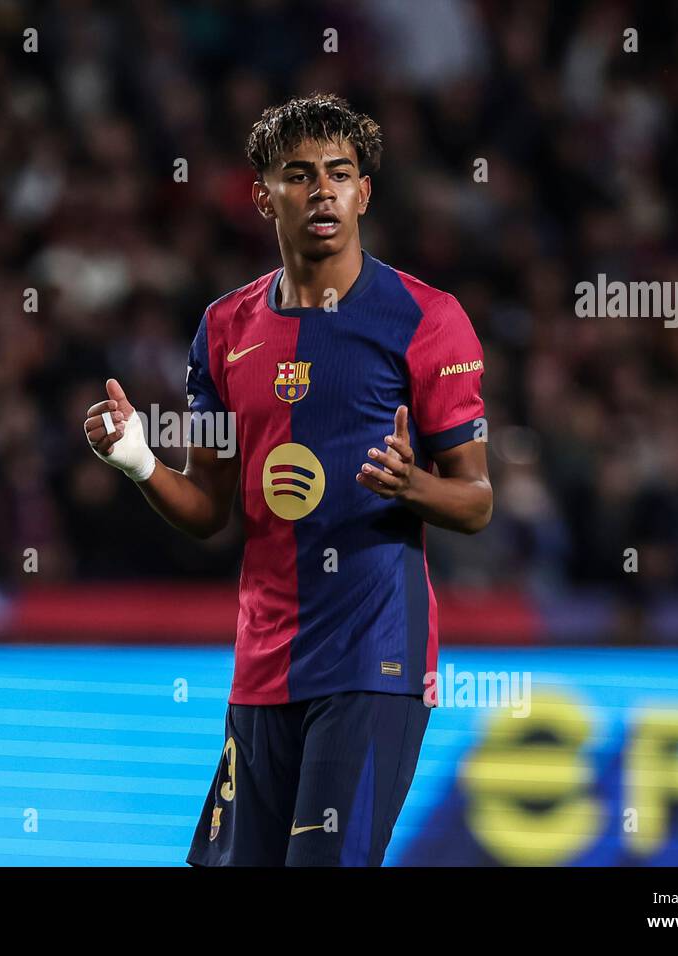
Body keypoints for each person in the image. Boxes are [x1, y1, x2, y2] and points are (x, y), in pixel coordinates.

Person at [84, 93, 492, 866]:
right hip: (263, 662)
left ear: (364, 192)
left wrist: (415, 486)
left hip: (376, 659)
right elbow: (209, 507)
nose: (323, 191)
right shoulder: (223, 330)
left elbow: (475, 500)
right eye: (298, 175)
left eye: (340, 174)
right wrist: (137, 459)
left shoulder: (428, 320)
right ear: (262, 194)